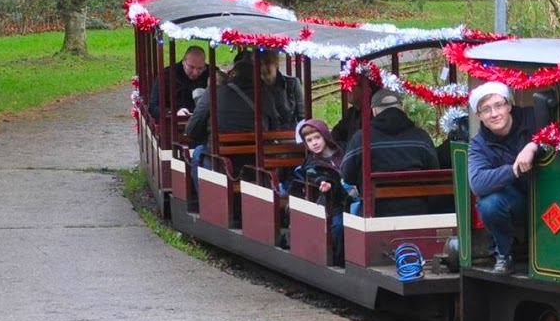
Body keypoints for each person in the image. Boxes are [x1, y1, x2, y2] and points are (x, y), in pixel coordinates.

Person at [466, 81, 539, 274]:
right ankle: (504, 254)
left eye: (499, 105)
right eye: (486, 109)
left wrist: (533, 146)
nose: (494, 113)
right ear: (479, 116)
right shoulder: (478, 145)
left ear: (509, 105)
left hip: (554, 193)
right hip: (519, 204)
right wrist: (514, 170)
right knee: (489, 203)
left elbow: (558, 135)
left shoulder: (533, 118)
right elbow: (478, 183)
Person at [338, 88, 439, 217]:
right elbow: (434, 172)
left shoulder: (361, 139)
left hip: (375, 213)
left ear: (374, 111)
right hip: (417, 211)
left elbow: (347, 176)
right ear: (402, 109)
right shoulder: (421, 138)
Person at [185, 48, 304, 142]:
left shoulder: (215, 93)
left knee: (198, 153)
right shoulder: (262, 94)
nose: (263, 69)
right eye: (260, 65)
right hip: (259, 153)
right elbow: (274, 126)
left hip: (223, 157)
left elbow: (192, 131)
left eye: (267, 64)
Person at [290, 118, 347, 262]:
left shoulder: (343, 150)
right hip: (332, 202)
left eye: (317, 137)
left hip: (353, 196)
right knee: (338, 225)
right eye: (309, 140)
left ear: (325, 136)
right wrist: (325, 183)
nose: (314, 143)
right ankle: (338, 260)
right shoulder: (312, 162)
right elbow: (314, 175)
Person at [149, 45, 208, 119]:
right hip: (176, 122)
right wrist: (174, 113)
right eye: (191, 67)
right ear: (183, 62)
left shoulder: (211, 74)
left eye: (200, 68)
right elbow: (153, 106)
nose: (195, 72)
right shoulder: (167, 75)